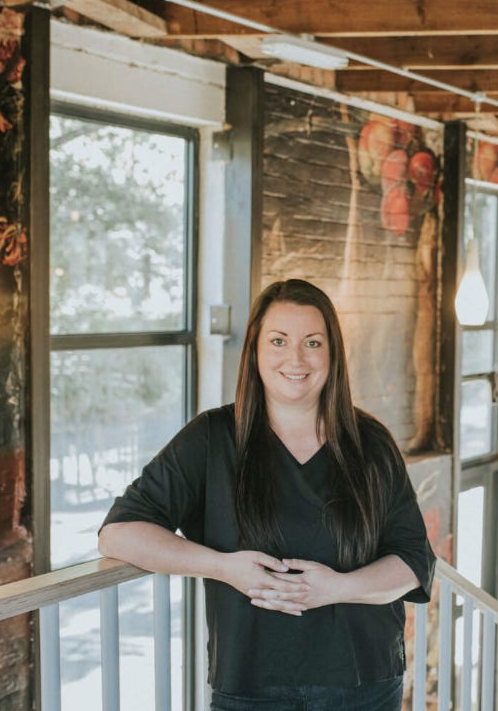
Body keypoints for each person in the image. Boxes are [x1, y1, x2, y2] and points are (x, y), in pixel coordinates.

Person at [98, 278, 436, 711]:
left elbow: (413, 561)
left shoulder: (370, 442)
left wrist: (338, 588)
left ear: (332, 354)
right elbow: (119, 533)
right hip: (250, 685)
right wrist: (222, 567)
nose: (295, 358)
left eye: (312, 342)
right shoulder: (212, 438)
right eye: (279, 341)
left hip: (363, 681)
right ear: (255, 351)